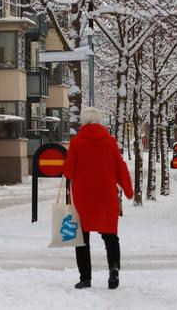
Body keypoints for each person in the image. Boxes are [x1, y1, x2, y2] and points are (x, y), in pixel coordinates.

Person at [63, 107, 133, 290]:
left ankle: (85, 278)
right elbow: (120, 167)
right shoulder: (110, 142)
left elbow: (69, 171)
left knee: (82, 239)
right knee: (110, 236)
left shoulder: (76, 143)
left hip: (83, 197)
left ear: (83, 122)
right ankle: (114, 271)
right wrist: (128, 191)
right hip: (106, 196)